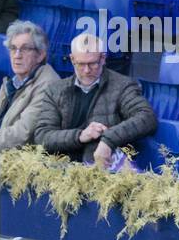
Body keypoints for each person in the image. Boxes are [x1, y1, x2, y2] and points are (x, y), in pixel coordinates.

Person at [34, 33, 158, 166]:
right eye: (81, 64)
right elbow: (42, 136)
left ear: (103, 58)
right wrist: (80, 136)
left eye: (93, 63)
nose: (87, 70)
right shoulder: (55, 90)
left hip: (100, 170)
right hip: (59, 169)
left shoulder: (122, 86)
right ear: (72, 59)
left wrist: (109, 140)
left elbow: (146, 117)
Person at [0, 21, 61, 148]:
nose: (17, 55)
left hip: (20, 158)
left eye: (25, 49)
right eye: (13, 48)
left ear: (40, 55)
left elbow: (23, 133)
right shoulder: (12, 81)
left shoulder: (49, 85)